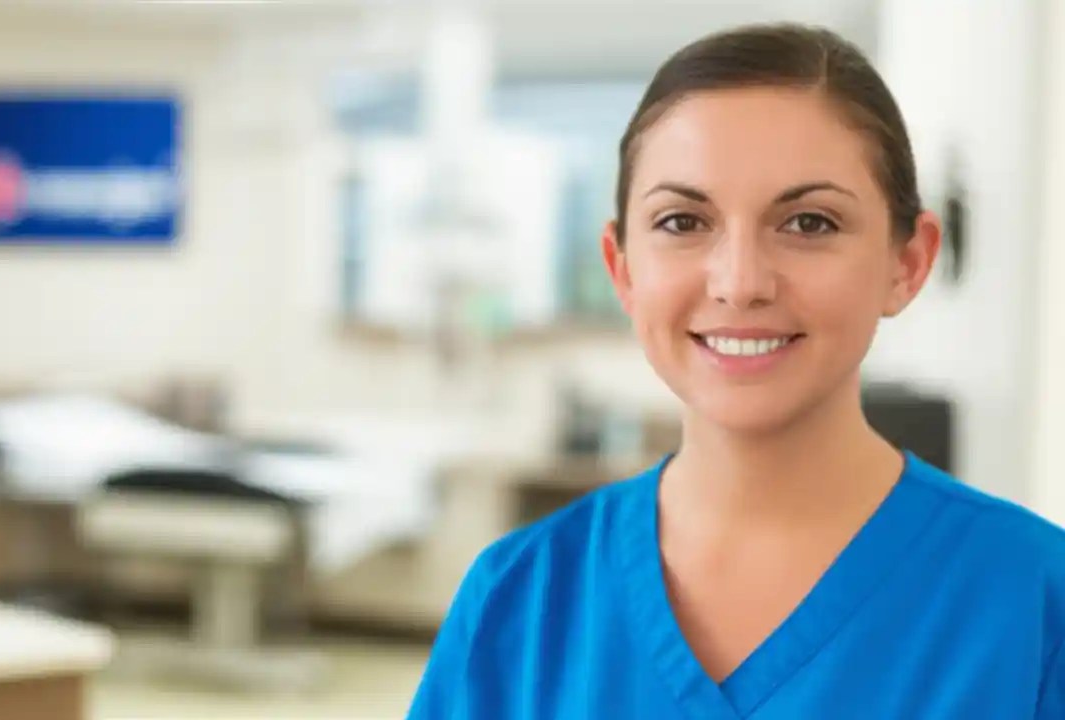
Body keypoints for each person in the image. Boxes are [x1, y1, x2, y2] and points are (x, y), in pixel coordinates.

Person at [407, 22, 1065, 719]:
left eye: (809, 223)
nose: (740, 282)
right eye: (683, 222)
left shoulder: (1036, 605)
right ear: (621, 269)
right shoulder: (517, 602)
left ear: (907, 263)